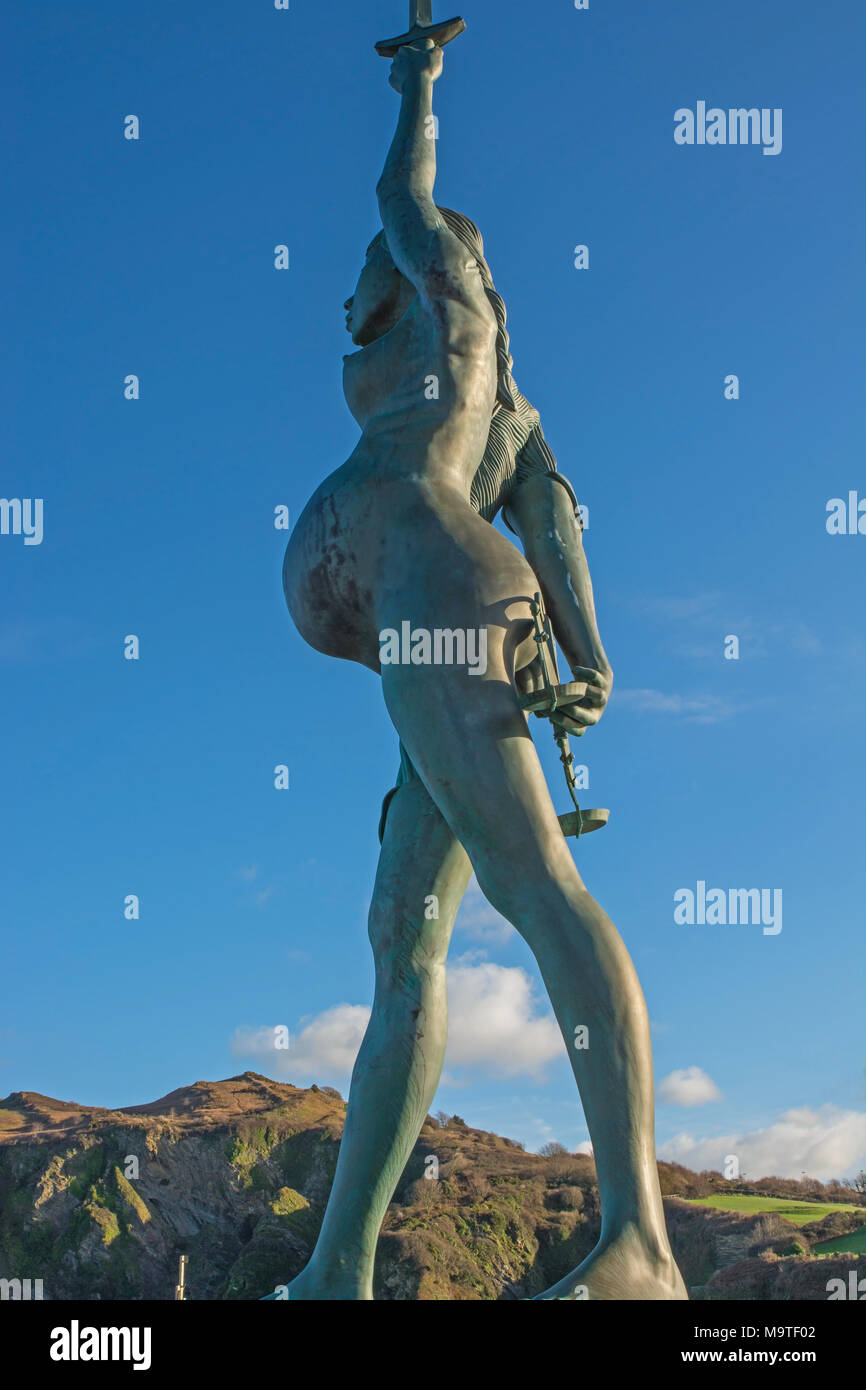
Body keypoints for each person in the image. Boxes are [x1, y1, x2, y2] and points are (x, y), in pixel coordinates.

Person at [279, 39, 686, 1300]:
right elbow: (554, 513)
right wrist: (587, 646)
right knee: (401, 937)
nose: (351, 292)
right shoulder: (498, 409)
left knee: (536, 883)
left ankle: (642, 1244)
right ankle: (336, 1267)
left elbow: (402, 205)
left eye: (362, 273)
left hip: (437, 596)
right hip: (421, 629)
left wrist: (414, 95)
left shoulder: (445, 290)